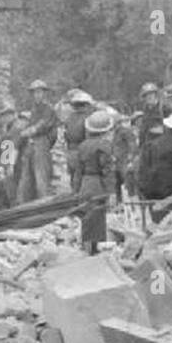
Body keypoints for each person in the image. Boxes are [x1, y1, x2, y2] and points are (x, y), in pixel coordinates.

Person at [76, 109, 115, 255]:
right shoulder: (104, 146)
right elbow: (107, 171)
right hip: (98, 184)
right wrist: (111, 192)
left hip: (85, 183)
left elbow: (77, 171)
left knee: (87, 216)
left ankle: (87, 248)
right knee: (98, 218)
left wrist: (76, 190)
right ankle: (97, 252)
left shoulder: (82, 145)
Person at [18, 79, 57, 200]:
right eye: (35, 92)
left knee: (41, 176)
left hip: (41, 142)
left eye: (39, 92)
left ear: (44, 93)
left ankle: (44, 202)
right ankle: (25, 203)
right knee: (27, 176)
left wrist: (29, 131)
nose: (37, 95)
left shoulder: (48, 108)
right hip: (31, 144)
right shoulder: (33, 108)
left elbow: (43, 124)